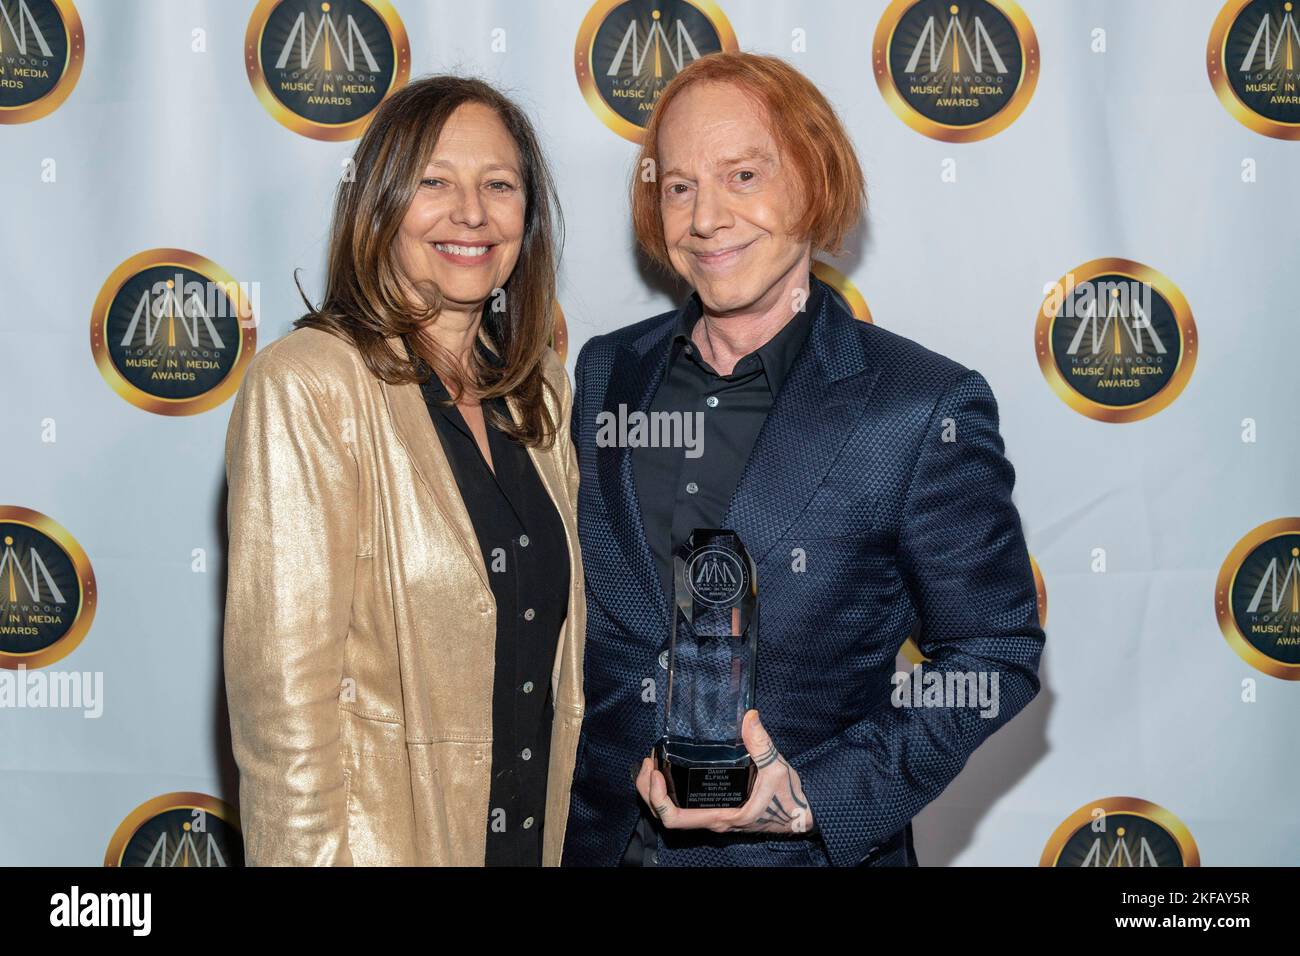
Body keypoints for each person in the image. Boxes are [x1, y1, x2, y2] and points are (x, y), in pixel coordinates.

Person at [563, 52, 1045, 867]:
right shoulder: (608, 371)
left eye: (744, 174)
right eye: (678, 186)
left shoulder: (920, 405)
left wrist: (810, 798)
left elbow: (993, 653)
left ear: (814, 181)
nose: (707, 217)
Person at [222, 75, 583, 866]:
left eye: (499, 184)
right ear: (379, 201)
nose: (471, 213)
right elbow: (284, 714)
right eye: (434, 182)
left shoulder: (540, 388)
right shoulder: (311, 384)